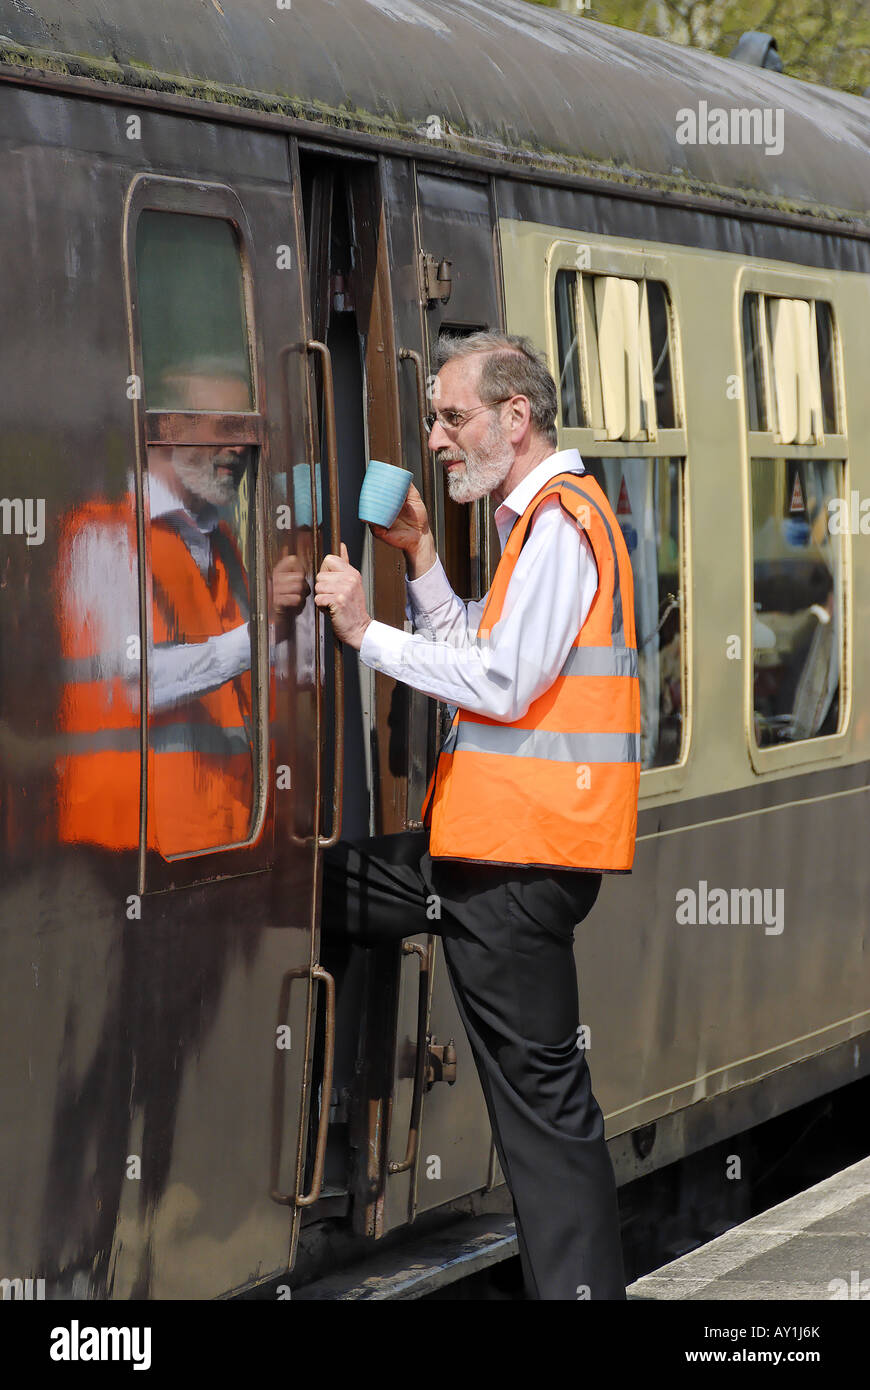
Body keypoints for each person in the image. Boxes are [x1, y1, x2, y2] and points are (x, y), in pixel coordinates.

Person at [314, 332, 641, 1300]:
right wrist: (417, 555)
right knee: (347, 887)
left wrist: (361, 632)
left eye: (451, 417)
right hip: (499, 855)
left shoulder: (556, 525)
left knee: (543, 1115)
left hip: (517, 864)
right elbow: (484, 663)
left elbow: (499, 682)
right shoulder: (541, 521)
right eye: (434, 419)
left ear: (515, 417)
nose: (437, 438)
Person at [55, 366, 308, 855]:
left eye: (247, 432)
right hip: (128, 847)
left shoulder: (223, 544)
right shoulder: (105, 535)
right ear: (161, 431)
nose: (239, 448)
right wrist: (265, 628)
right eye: (224, 428)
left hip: (221, 836)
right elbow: (139, 682)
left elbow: (263, 668)